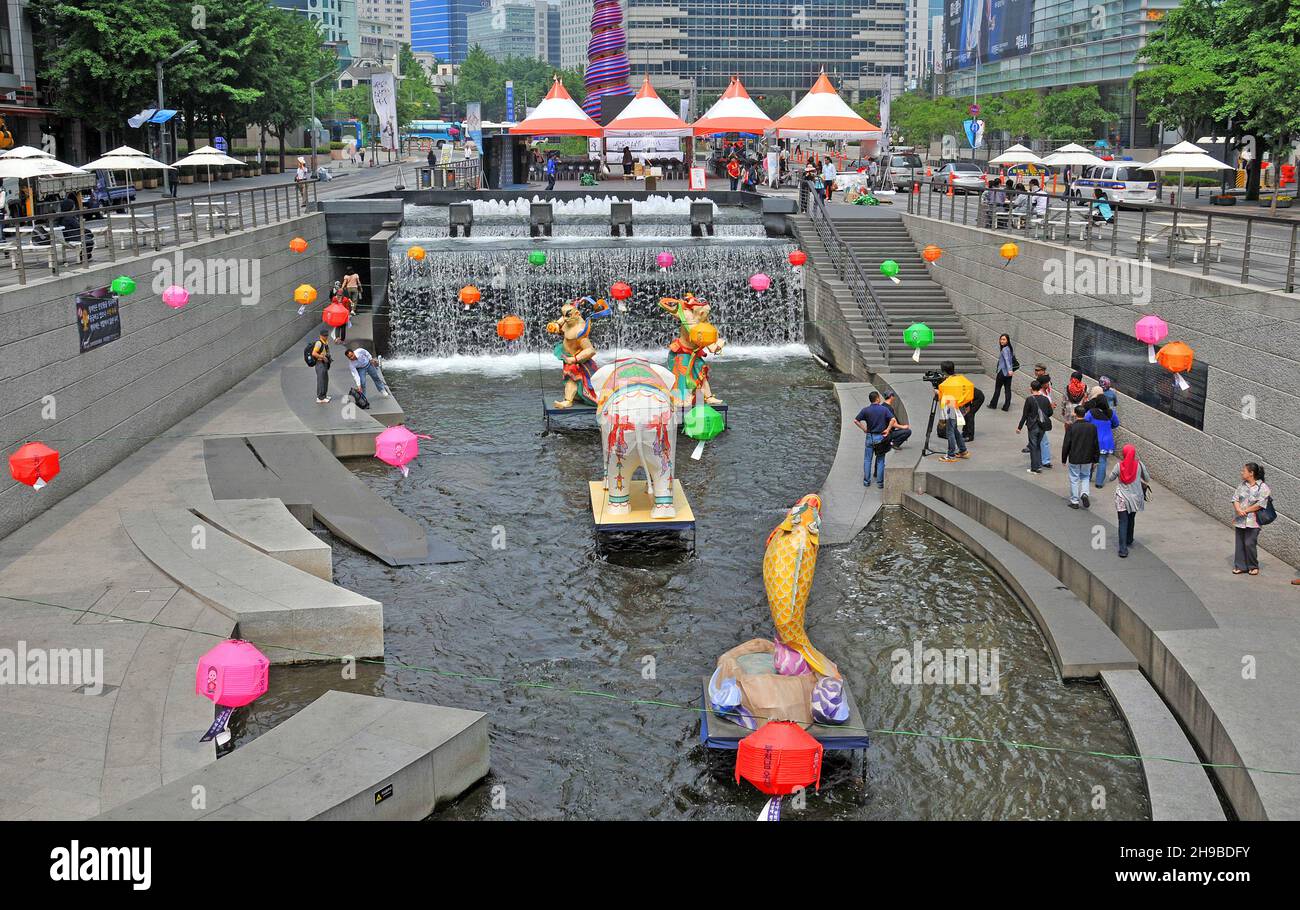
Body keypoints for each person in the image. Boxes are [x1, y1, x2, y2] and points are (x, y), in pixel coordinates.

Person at [1107, 444, 1149, 558]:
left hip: (1122, 498)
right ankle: (1129, 539)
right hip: (1135, 498)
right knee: (1131, 518)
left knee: (1122, 522)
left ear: (1124, 454)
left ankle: (1123, 549)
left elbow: (1110, 478)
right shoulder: (1139, 465)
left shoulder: (1119, 466)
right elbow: (1147, 478)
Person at [1232, 462, 1271, 576]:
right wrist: (1238, 509)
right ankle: (1240, 566)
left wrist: (1245, 511)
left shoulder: (1263, 487)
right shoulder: (1242, 485)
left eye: (1244, 471)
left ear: (1251, 473)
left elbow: (1260, 504)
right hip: (1240, 519)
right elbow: (1235, 498)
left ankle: (1253, 566)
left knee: (1249, 543)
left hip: (1254, 521)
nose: (1241, 472)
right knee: (1239, 543)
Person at [1061, 404, 1100, 508]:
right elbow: (1096, 443)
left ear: (1075, 413)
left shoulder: (1071, 427)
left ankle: (1074, 501)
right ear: (1085, 414)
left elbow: (1066, 444)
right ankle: (1084, 493)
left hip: (1074, 457)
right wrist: (1096, 458)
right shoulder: (1092, 427)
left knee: (1074, 478)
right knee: (1085, 476)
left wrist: (1064, 459)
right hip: (1088, 457)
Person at [853, 390, 894, 488]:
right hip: (880, 437)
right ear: (877, 399)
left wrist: (864, 429)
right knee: (880, 460)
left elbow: (856, 420)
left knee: (867, 460)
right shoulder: (884, 409)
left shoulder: (865, 410)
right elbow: (892, 419)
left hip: (869, 436)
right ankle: (880, 483)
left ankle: (866, 482)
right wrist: (888, 430)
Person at [1017, 379, 1053, 473]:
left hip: (1032, 425)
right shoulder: (1045, 399)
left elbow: (1025, 415)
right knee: (1038, 445)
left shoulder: (1029, 399)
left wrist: (1019, 427)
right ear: (1040, 388)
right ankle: (1039, 465)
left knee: (1033, 446)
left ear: (1031, 388)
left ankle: (1035, 467)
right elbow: (1050, 412)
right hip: (1042, 426)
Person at [938, 393, 969, 462]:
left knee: (950, 432)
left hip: (952, 408)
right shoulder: (959, 384)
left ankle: (950, 455)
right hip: (959, 408)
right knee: (954, 430)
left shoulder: (950, 386)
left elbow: (947, 397)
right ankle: (963, 450)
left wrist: (939, 393)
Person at [990, 333, 1016, 410]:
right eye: (1001, 339)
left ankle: (993, 404)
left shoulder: (1004, 349)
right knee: (1007, 389)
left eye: (1004, 339)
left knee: (997, 389)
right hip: (1008, 374)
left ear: (1007, 340)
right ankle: (1006, 406)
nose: (1002, 341)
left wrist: (1010, 370)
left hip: (1002, 372)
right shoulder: (1009, 349)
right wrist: (1010, 371)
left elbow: (1007, 360)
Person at [310, 330, 332, 404]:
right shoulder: (319, 343)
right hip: (320, 363)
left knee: (325, 379)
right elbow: (314, 353)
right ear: (321, 335)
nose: (326, 337)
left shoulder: (325, 342)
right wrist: (322, 357)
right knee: (321, 380)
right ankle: (320, 398)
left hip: (324, 363)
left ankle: (324, 395)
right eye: (324, 335)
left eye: (327, 335)